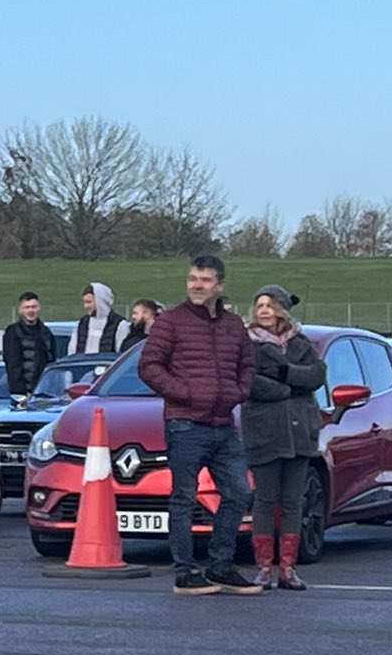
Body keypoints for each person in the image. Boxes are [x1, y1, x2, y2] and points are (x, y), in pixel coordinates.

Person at [138, 255, 260, 595]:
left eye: (204, 280)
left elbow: (247, 365)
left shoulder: (234, 325)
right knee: (184, 497)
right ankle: (185, 571)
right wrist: (185, 393)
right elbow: (149, 366)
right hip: (185, 424)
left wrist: (238, 391)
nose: (196, 285)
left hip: (224, 425)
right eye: (193, 278)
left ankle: (221, 565)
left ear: (219, 285)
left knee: (238, 493)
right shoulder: (171, 322)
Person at [242, 285, 325, 590]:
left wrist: (285, 372)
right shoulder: (246, 344)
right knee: (264, 501)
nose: (263, 309)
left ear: (281, 309)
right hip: (264, 432)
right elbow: (249, 382)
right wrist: (288, 388)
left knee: (294, 502)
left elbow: (316, 376)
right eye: (259, 304)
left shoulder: (301, 343)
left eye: (269, 304)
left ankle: (287, 568)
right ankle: (264, 567)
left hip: (300, 431)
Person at [1, 293, 60, 398]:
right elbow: (12, 364)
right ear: (20, 310)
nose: (31, 311)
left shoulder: (46, 333)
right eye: (27, 307)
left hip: (43, 392)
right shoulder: (13, 332)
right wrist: (20, 392)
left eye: (34, 307)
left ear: (39, 308)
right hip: (20, 393)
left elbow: (52, 361)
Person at [71, 283, 130, 356]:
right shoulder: (81, 324)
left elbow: (122, 355)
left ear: (100, 301)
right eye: (84, 302)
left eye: (89, 302)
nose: (85, 306)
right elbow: (72, 352)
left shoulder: (120, 325)